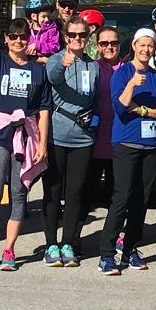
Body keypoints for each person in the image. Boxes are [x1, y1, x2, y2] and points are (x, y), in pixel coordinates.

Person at [0, 18, 49, 272]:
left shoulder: (38, 70)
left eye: (23, 37)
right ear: (6, 38)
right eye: (13, 36)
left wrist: (43, 143)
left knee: (19, 194)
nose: (19, 41)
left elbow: (44, 109)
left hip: (26, 136)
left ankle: (10, 247)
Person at [103, 27, 156, 275]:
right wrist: (131, 85)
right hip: (126, 143)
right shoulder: (122, 74)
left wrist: (143, 110)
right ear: (133, 45)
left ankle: (131, 248)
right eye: (141, 45)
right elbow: (120, 108)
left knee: (141, 201)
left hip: (151, 145)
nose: (146, 49)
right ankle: (107, 254)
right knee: (121, 197)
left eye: (150, 45)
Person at [43, 18, 101, 268]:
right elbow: (52, 77)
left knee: (76, 193)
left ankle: (68, 241)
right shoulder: (57, 59)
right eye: (73, 35)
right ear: (66, 37)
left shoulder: (93, 65)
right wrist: (64, 65)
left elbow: (95, 97)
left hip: (83, 138)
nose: (77, 39)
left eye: (82, 35)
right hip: (57, 135)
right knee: (53, 192)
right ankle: (50, 244)